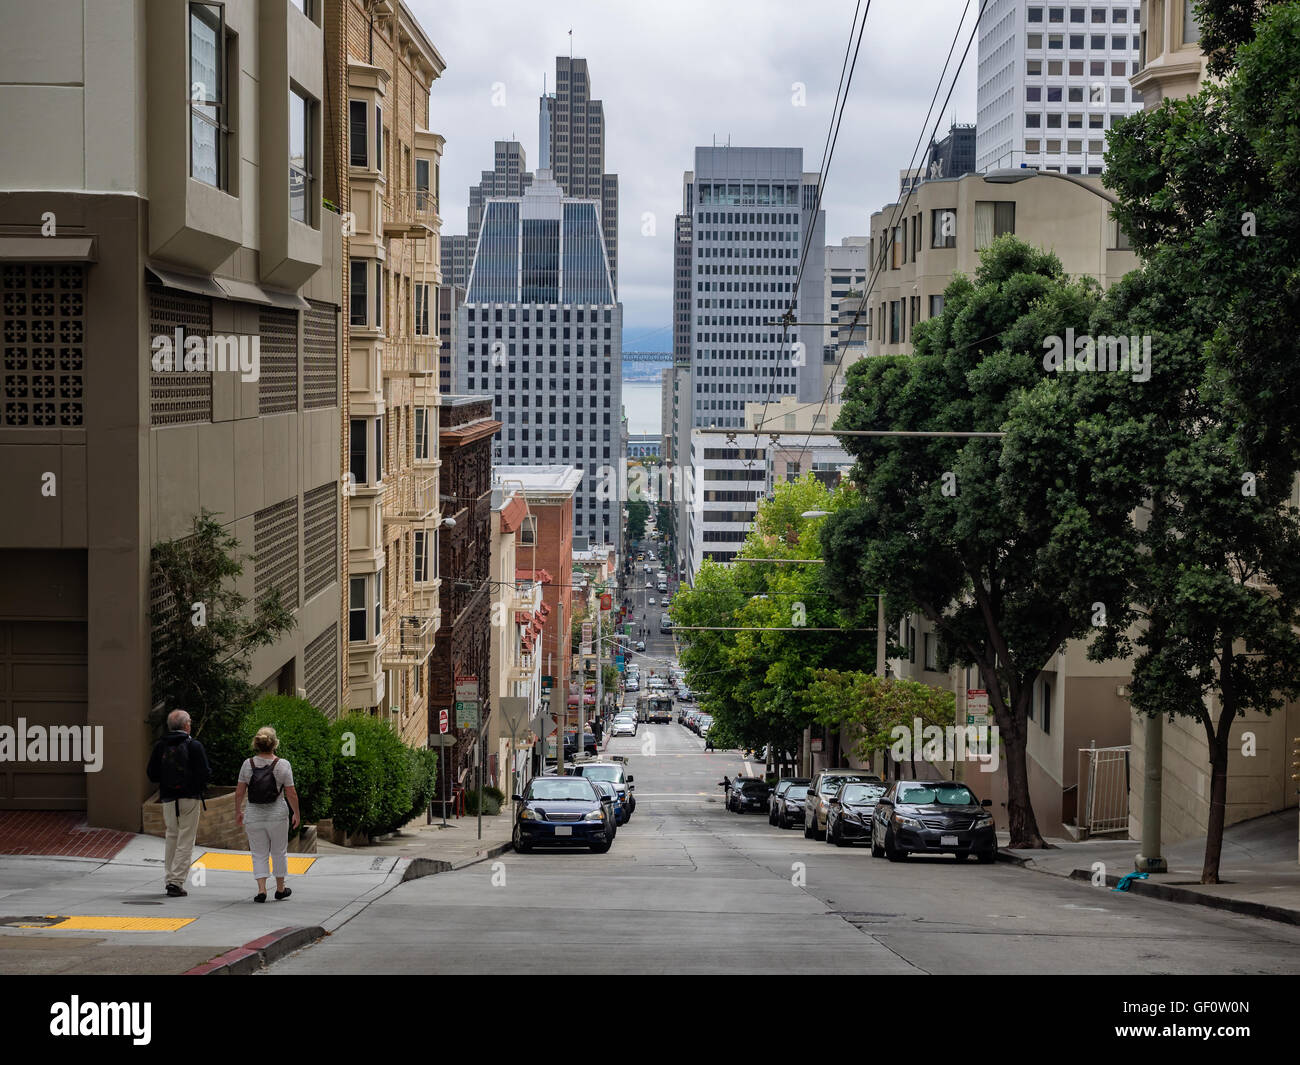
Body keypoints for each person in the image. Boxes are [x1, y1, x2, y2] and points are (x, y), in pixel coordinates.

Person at [146, 709, 211, 898]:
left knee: (172, 836)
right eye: (189, 721)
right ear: (186, 725)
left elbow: (152, 774)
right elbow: (205, 773)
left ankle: (169, 878)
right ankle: (176, 881)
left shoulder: (160, 746)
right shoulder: (194, 746)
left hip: (168, 797)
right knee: (186, 839)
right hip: (189, 797)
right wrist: (196, 785)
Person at [235, 726, 301, 903]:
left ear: (256, 744)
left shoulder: (247, 764)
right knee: (279, 851)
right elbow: (291, 793)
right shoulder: (283, 765)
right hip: (277, 815)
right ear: (275, 743)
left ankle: (262, 890)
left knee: (258, 853)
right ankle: (280, 889)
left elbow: (239, 792)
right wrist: (296, 813)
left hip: (254, 815)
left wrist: (238, 811)